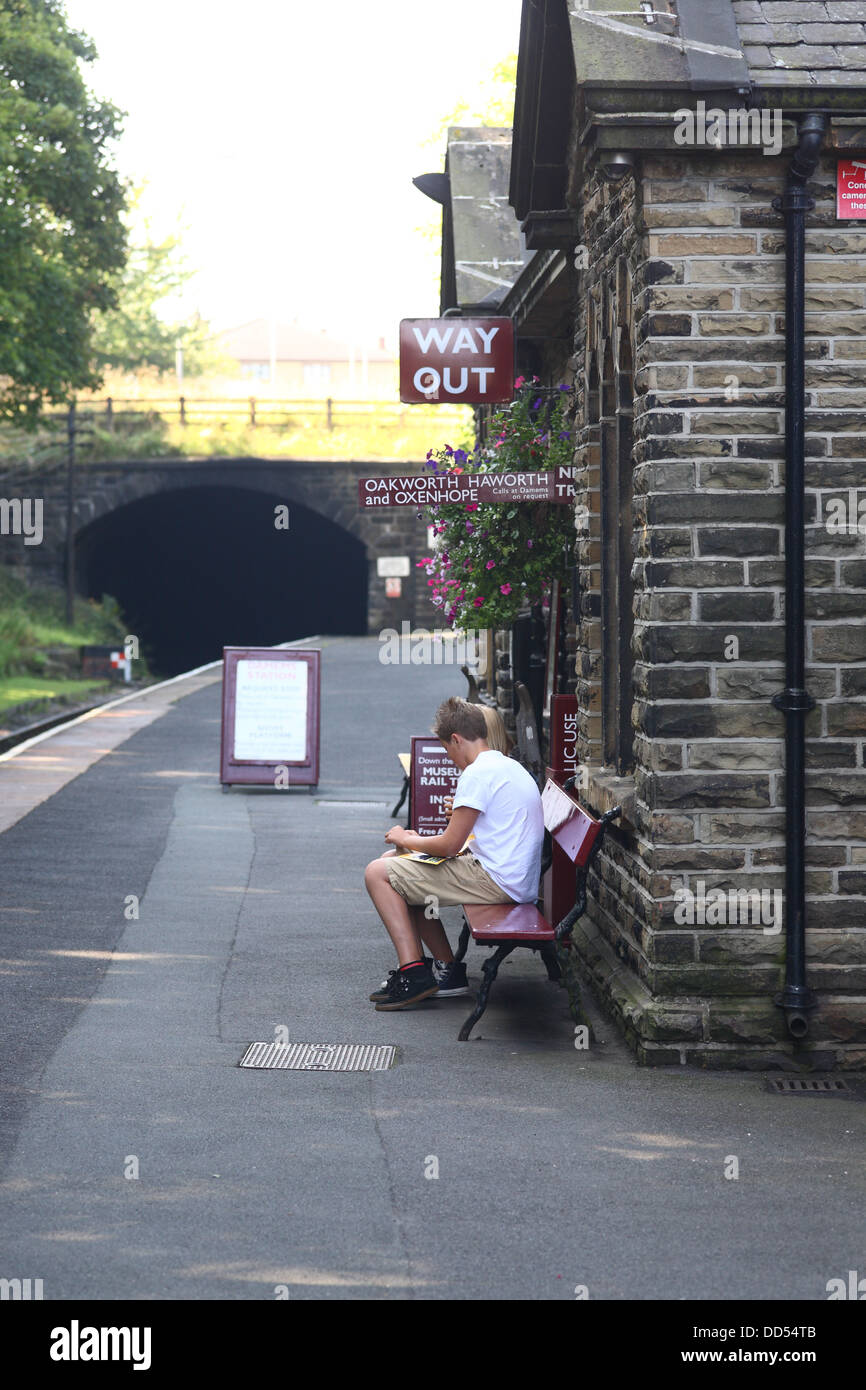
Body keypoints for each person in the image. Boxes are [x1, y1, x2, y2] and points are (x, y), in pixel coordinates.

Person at [363, 696, 544, 1011]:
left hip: (498, 880)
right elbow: (463, 839)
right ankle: (446, 969)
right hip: (506, 874)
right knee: (393, 865)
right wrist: (414, 844)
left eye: (447, 749)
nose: (449, 757)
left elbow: (449, 845)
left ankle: (413, 972)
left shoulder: (477, 773)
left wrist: (407, 837)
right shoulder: (505, 765)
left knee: (377, 873)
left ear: (457, 739)